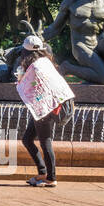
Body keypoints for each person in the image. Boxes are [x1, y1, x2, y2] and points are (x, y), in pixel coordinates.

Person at [15, 34, 75, 187]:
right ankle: (43, 172)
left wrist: (21, 80)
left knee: (45, 141)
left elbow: (28, 84)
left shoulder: (34, 67)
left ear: (25, 52)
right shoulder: (45, 62)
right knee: (27, 139)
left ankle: (51, 177)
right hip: (49, 105)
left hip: (44, 107)